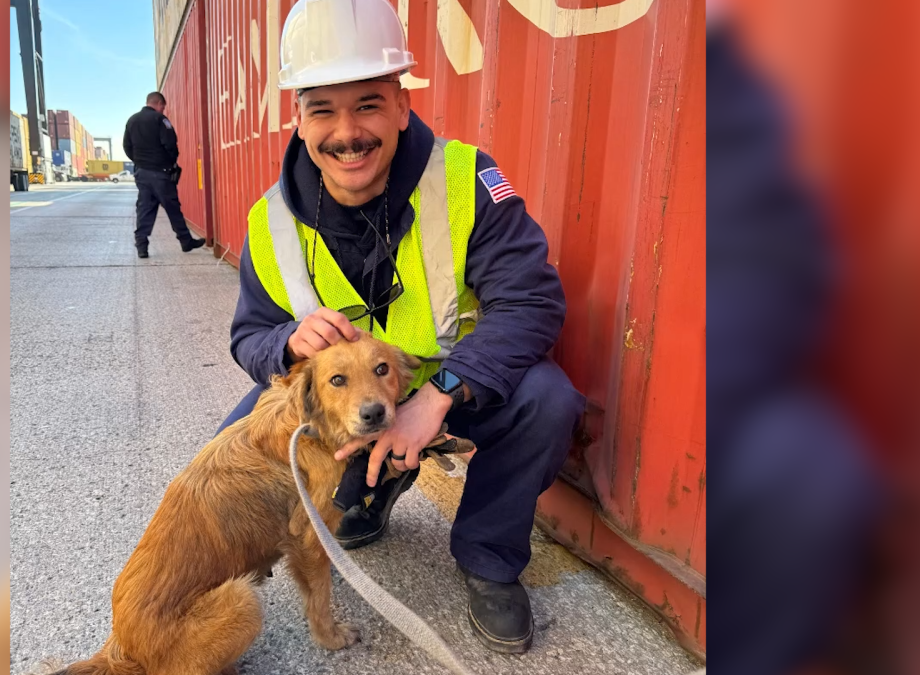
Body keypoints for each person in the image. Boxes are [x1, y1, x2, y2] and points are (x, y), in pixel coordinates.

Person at [219, 0, 585, 654]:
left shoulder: (466, 180)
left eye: (367, 104)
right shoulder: (268, 222)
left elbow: (530, 302)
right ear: (298, 119)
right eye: (323, 108)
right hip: (347, 398)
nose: (347, 131)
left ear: (401, 105)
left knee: (547, 399)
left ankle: (490, 558)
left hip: (453, 389)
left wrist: (437, 393)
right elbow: (249, 334)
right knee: (235, 444)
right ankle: (370, 488)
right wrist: (285, 342)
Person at [123, 92, 204, 257]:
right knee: (172, 207)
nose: (162, 110)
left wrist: (140, 162)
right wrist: (171, 162)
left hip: (142, 173)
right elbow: (170, 144)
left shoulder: (132, 120)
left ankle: (142, 246)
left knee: (145, 208)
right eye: (163, 107)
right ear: (159, 103)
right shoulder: (160, 120)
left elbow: (127, 146)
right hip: (160, 173)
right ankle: (185, 241)